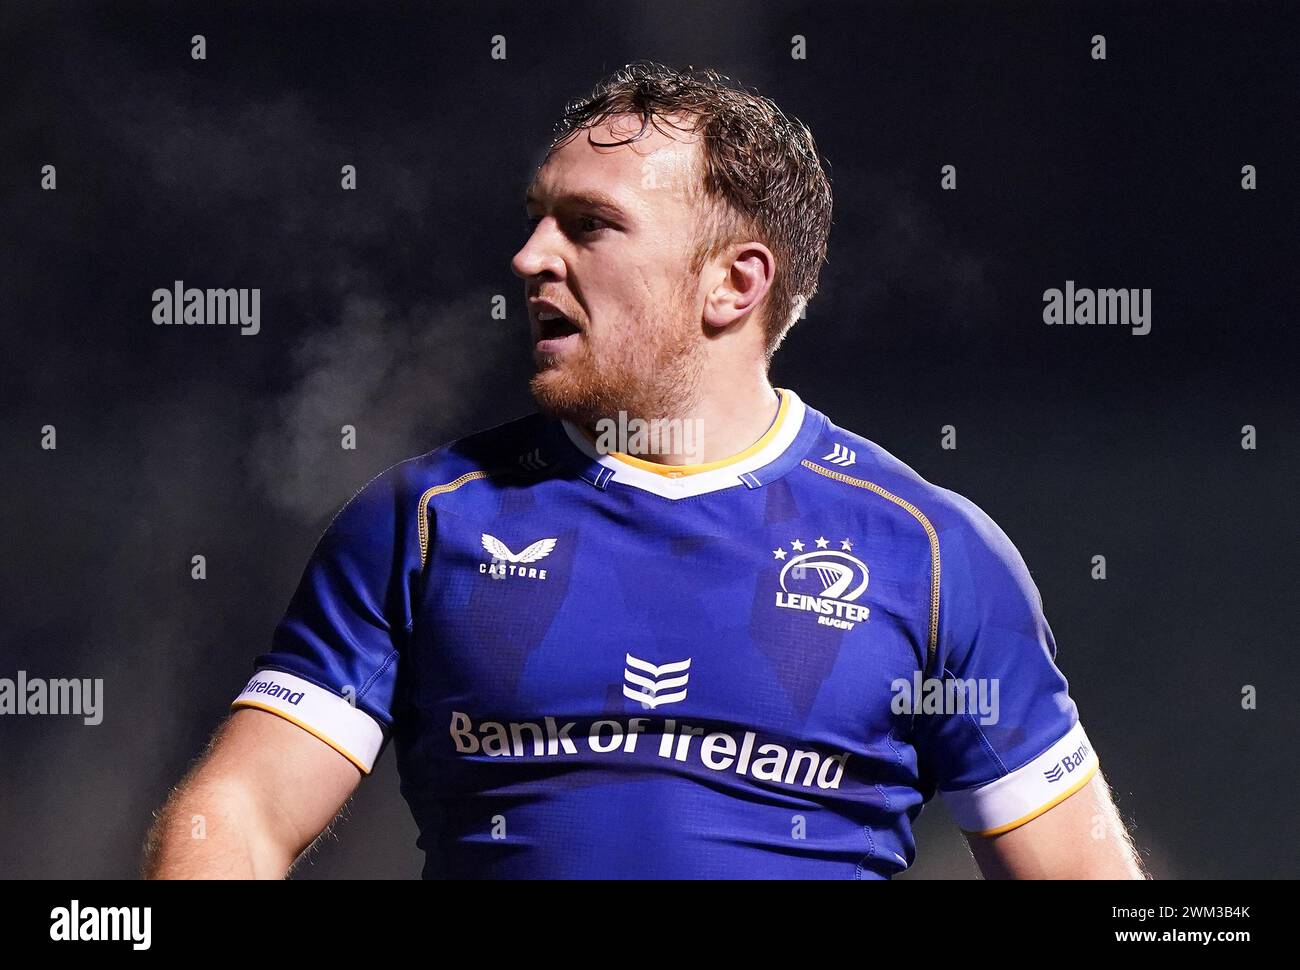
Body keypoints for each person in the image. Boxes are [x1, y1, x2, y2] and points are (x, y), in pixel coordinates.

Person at [144, 62, 1144, 879]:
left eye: (588, 225)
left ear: (734, 283)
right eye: (539, 219)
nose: (532, 256)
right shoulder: (417, 522)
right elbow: (236, 812)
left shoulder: (933, 554)